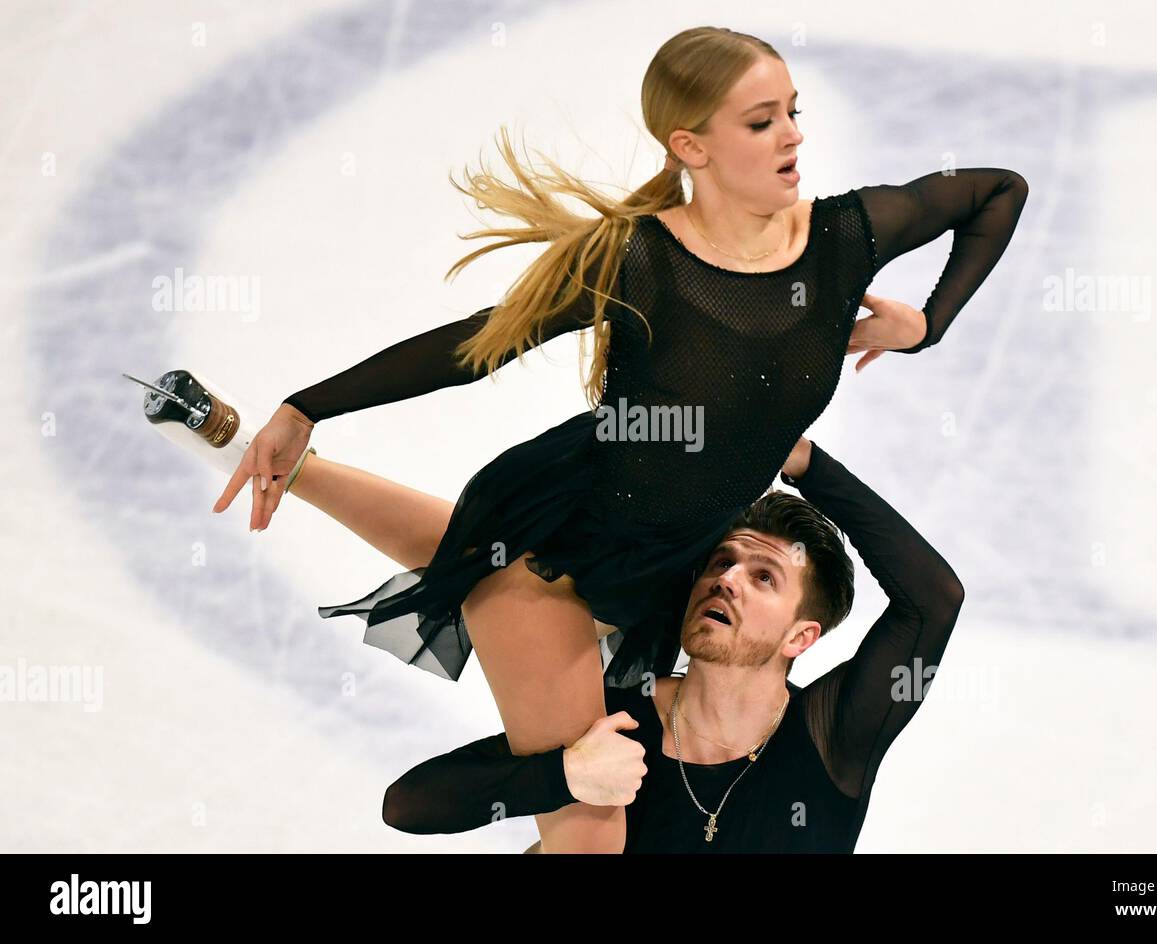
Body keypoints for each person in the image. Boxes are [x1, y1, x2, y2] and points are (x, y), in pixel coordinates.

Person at [210, 25, 1028, 853]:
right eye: (760, 121)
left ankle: (255, 450)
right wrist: (309, 403)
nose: (793, 136)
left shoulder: (847, 237)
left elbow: (998, 191)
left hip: (677, 554)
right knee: (590, 835)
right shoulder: (640, 262)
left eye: (792, 111)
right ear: (691, 147)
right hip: (575, 542)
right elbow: (479, 342)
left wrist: (927, 323)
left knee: (465, 554)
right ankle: (276, 450)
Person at [373, 436, 962, 852]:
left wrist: (804, 462)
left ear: (800, 636)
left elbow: (934, 600)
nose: (727, 578)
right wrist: (563, 775)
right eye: (722, 561)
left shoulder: (833, 734)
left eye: (763, 577)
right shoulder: (617, 719)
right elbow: (408, 806)